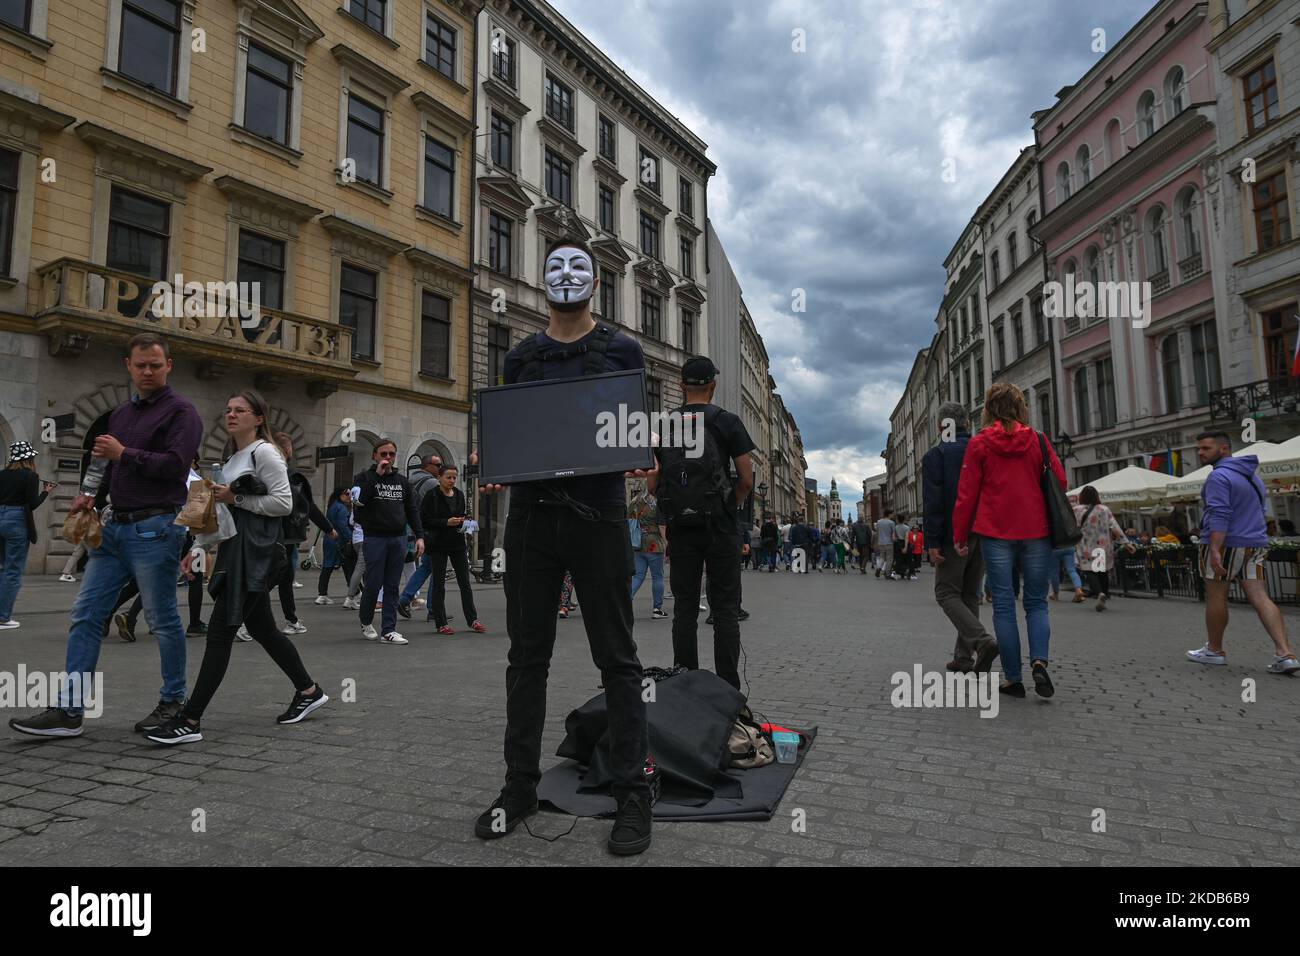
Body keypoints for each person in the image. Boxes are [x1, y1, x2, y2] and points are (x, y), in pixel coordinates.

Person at [475, 236, 652, 855]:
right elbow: (517, 432)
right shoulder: (522, 356)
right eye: (557, 267)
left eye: (580, 267)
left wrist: (637, 448)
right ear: (542, 278)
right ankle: (519, 786)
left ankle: (633, 791)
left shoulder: (623, 350)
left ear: (595, 284)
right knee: (527, 657)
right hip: (531, 519)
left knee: (618, 657)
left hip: (600, 516)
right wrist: (495, 459)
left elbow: (633, 426)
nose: (567, 276)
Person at [10, 334, 202, 738]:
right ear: (127, 366)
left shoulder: (182, 413)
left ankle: (173, 702)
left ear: (170, 365)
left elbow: (175, 466)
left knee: (162, 620)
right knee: (85, 615)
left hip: (156, 528)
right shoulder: (119, 415)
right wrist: (88, 493)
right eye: (140, 365)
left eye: (155, 364)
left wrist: (124, 454)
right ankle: (68, 711)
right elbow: (103, 463)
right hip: (113, 529)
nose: (147, 371)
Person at [146, 390, 327, 744]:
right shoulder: (232, 457)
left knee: (220, 631)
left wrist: (236, 496)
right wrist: (198, 546)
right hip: (236, 549)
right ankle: (308, 691)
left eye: (240, 410)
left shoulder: (266, 452)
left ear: (258, 418)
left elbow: (283, 503)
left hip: (254, 553)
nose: (231, 415)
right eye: (228, 409)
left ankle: (190, 718)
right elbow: (224, 513)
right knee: (263, 629)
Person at [951, 383, 1067, 700]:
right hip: (1036, 531)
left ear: (988, 409)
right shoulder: (1038, 441)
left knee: (1003, 605)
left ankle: (1013, 679)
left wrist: (960, 535)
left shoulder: (979, 445)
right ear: (1020, 408)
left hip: (996, 532)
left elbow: (966, 495)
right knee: (1036, 602)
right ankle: (1040, 662)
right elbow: (1060, 481)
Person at [654, 355, 755, 693]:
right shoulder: (727, 421)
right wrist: (730, 506)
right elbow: (746, 478)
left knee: (684, 607)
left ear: (681, 386)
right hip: (721, 526)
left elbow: (654, 485)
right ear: (713, 385)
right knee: (725, 607)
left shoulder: (665, 426)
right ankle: (727, 688)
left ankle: (685, 681)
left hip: (682, 529)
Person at [1186, 431, 1299, 674]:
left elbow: (1219, 513)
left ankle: (1215, 650)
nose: (1200, 453)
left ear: (1224, 449)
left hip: (1227, 542)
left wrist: (1215, 549)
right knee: (1260, 596)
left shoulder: (1219, 477)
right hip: (1255, 542)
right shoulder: (1252, 476)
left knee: (1216, 595)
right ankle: (1285, 653)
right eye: (1199, 448)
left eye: (1206, 448)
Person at [922, 402, 998, 674]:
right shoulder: (984, 450)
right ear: (967, 423)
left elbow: (934, 503)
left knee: (945, 592)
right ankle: (963, 657)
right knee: (969, 593)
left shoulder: (937, 455)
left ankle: (981, 640)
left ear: (943, 426)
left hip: (954, 534)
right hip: (985, 530)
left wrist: (932, 543)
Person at [353, 438, 424, 645]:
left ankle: (389, 630)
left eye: (391, 454)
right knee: (374, 583)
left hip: (398, 538)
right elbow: (360, 501)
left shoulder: (402, 482)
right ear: (375, 456)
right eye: (383, 454)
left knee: (392, 585)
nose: (387, 458)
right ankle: (366, 621)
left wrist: (419, 536)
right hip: (374, 538)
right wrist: (377, 476)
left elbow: (411, 509)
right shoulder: (364, 478)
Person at [272, 433, 335, 634]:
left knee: (282, 579)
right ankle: (243, 622)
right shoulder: (293, 477)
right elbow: (310, 508)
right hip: (285, 536)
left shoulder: (266, 473)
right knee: (274, 579)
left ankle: (291, 619)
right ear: (288, 450)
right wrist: (328, 528)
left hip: (270, 535)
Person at [421, 463, 484, 634]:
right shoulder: (431, 495)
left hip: (457, 542)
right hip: (438, 544)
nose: (452, 480)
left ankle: (473, 620)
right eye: (448, 477)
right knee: (439, 584)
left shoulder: (459, 494)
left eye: (454, 477)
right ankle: (441, 622)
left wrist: (466, 522)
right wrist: (445, 522)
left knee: (465, 583)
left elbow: (462, 514)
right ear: (439, 477)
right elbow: (424, 520)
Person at [0, 441, 55, 629]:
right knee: (13, 570)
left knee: (2, 567)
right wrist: (46, 492)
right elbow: (32, 504)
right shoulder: (30, 476)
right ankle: (3, 617)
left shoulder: (2, 474)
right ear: (28, 458)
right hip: (16, 520)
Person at [397, 453, 443, 619]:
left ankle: (408, 600)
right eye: (438, 465)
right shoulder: (432, 483)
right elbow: (440, 507)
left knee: (426, 567)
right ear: (427, 466)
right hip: (431, 530)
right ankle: (432, 609)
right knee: (435, 568)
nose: (440, 468)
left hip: (414, 529)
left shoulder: (409, 480)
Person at [1073, 486, 1133, 612]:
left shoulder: (1077, 510)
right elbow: (1114, 526)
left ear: (1082, 497)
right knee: (1100, 570)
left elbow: (1071, 527)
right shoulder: (1104, 509)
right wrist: (1126, 543)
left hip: (1085, 546)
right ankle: (1104, 593)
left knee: (1089, 571)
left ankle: (1099, 593)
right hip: (1102, 545)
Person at [628, 486, 667, 619]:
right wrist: (667, 543)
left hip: (638, 542)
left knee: (638, 575)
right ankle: (657, 608)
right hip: (655, 543)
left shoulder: (636, 499)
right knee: (658, 576)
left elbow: (629, 519)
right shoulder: (658, 501)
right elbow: (662, 525)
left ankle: (626, 601)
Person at [316, 487, 354, 603]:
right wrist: (351, 538)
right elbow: (343, 525)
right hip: (338, 540)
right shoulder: (341, 508)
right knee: (347, 567)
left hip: (329, 539)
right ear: (341, 494)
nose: (350, 497)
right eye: (347, 494)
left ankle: (322, 594)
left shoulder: (332, 506)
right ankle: (355, 591)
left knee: (329, 566)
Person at [874, 512, 896, 578]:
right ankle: (887, 573)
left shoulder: (878, 522)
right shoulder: (891, 522)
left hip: (881, 542)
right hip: (889, 542)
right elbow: (893, 534)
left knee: (882, 557)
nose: (893, 515)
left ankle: (878, 568)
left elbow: (877, 532)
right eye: (892, 514)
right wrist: (895, 539)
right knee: (889, 558)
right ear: (889, 514)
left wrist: (877, 542)